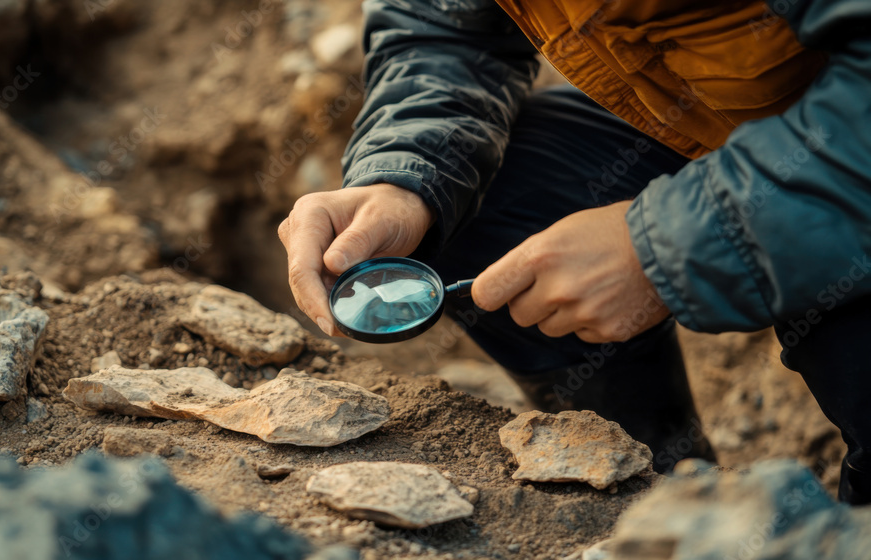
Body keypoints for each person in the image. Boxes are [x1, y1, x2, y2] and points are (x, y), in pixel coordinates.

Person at [277, 0, 871, 504]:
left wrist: (664, 243)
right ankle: (648, 492)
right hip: (716, 124)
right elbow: (441, 27)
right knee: (487, 206)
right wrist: (408, 172)